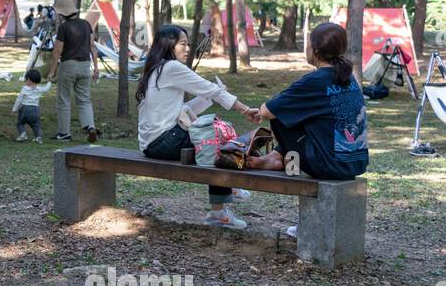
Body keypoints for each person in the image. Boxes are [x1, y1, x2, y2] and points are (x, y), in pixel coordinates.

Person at [136, 25, 261, 230]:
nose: (187, 49)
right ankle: (221, 208)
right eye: (183, 44)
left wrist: (210, 97)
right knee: (217, 142)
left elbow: (181, 109)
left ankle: (227, 196)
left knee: (215, 138)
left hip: (153, 144)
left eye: (188, 44)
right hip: (163, 142)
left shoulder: (155, 69)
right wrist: (245, 109)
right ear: (168, 45)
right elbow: (211, 90)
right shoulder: (172, 68)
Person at [254, 22, 369, 237]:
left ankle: (280, 159)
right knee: (301, 115)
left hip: (330, 165)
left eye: (308, 43)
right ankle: (277, 156)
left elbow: (267, 111)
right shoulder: (348, 77)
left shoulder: (314, 80)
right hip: (354, 161)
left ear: (315, 51)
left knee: (281, 117)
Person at [48, 0, 100, 142]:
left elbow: (57, 51)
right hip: (85, 66)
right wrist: (96, 67)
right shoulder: (86, 24)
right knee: (84, 100)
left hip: (68, 65)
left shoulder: (64, 27)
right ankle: (90, 126)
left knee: (64, 99)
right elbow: (92, 47)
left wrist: (52, 72)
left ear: (62, 13)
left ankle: (64, 133)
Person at [12, 69, 51, 142]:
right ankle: (38, 137)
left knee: (20, 123)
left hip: (24, 109)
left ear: (29, 79)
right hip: (35, 109)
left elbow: (19, 99)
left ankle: (23, 134)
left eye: (25, 79)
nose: (25, 81)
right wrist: (49, 82)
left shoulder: (25, 89)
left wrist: (15, 108)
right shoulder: (39, 89)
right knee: (36, 124)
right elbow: (46, 89)